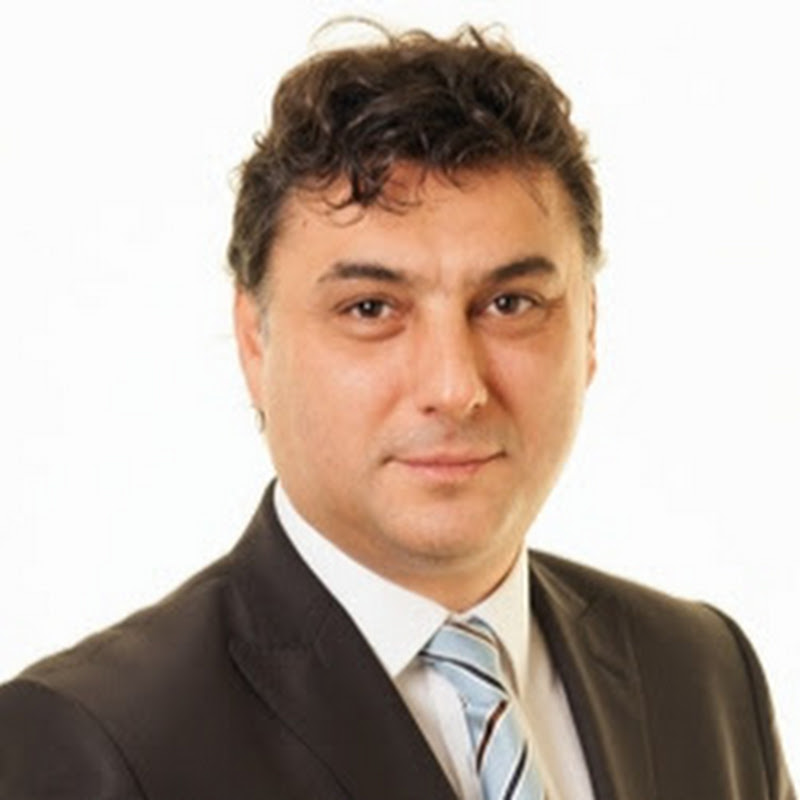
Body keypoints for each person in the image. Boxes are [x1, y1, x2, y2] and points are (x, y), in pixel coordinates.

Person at [0, 23, 794, 800]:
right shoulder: (96, 743)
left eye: (510, 303)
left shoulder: (702, 673)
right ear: (254, 340)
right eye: (371, 308)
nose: (455, 385)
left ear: (589, 328)